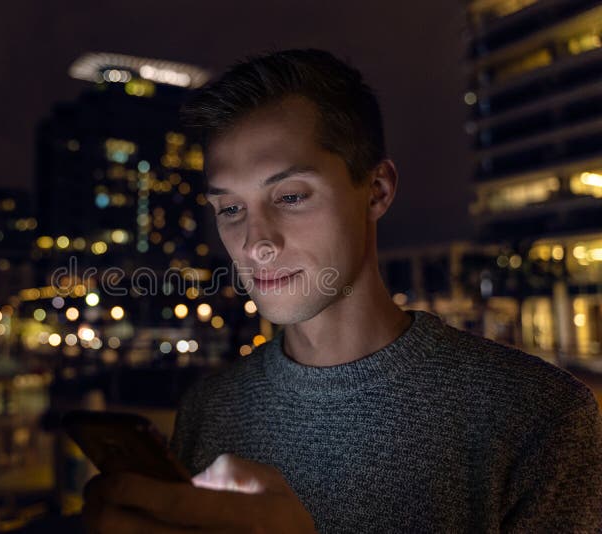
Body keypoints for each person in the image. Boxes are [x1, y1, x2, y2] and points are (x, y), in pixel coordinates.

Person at [82, 49, 602, 532]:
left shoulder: (540, 418)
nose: (256, 243)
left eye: (290, 196)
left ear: (376, 190)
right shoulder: (209, 408)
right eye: (230, 208)